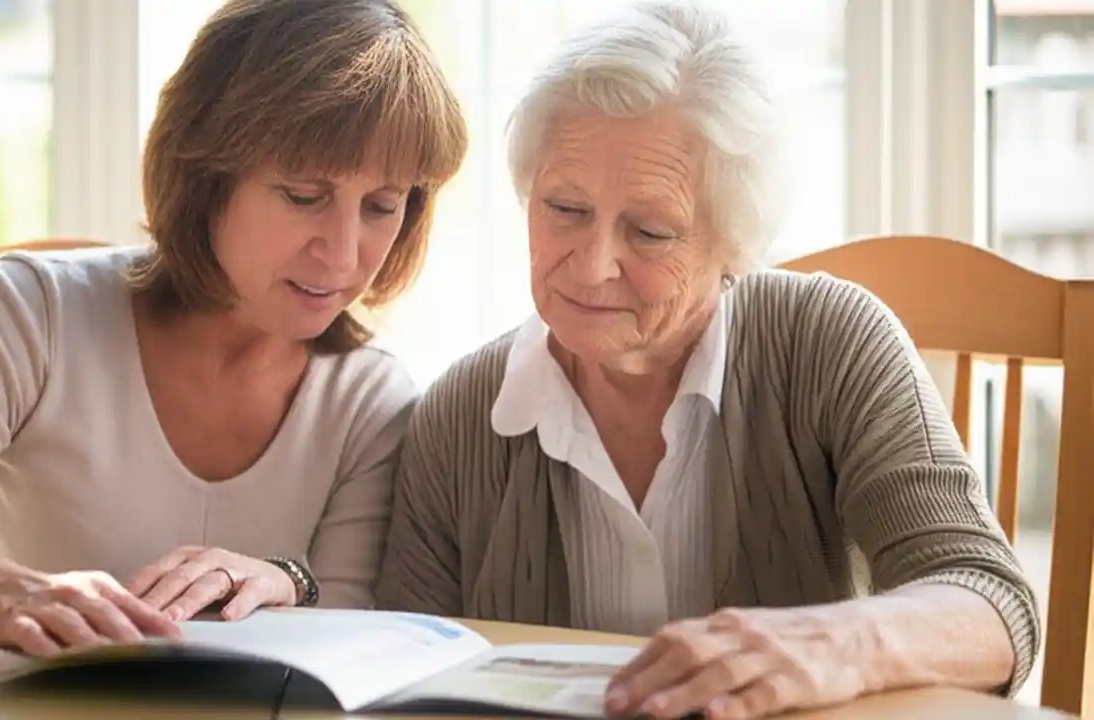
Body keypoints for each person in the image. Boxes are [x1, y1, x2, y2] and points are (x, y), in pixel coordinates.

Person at [375, 2, 1038, 717]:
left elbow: (990, 600)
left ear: (735, 247)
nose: (593, 266)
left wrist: (832, 643)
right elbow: (401, 678)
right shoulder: (458, 416)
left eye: (650, 231)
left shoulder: (830, 343)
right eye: (565, 209)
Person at [0, 0, 466, 657]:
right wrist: (3, 590)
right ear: (205, 175)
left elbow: (351, 649)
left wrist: (290, 582)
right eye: (303, 196)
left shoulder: (370, 401)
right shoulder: (34, 312)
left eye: (382, 206)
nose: (345, 254)